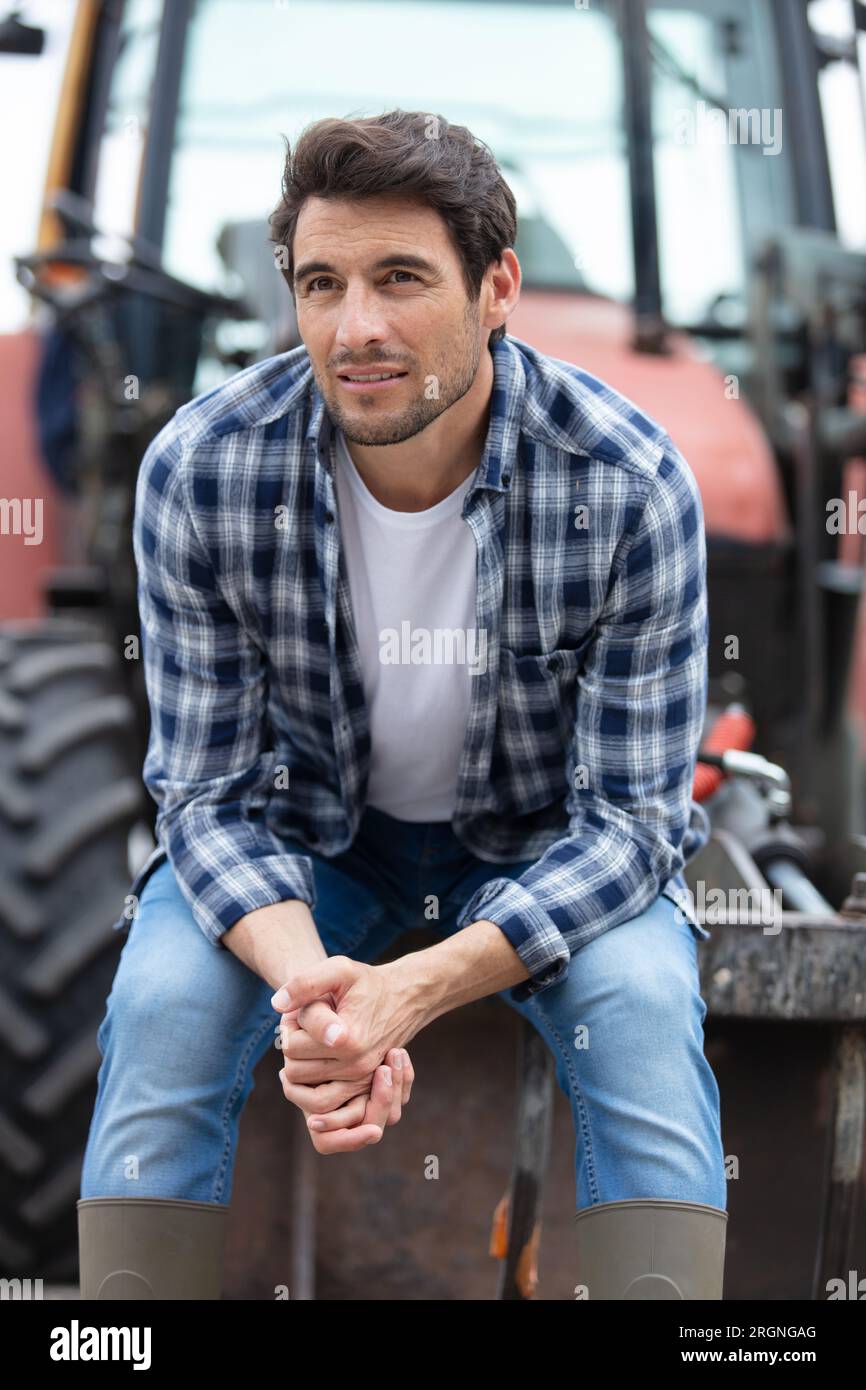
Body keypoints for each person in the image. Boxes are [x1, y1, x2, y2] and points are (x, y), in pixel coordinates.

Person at [77, 109, 727, 1301]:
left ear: (496, 289)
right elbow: (207, 797)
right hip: (304, 848)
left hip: (546, 846)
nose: (355, 327)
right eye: (319, 283)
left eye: (400, 279)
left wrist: (405, 994)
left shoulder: (628, 484)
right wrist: (315, 993)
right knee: (164, 1004)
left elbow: (633, 827)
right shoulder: (203, 468)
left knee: (638, 1009)